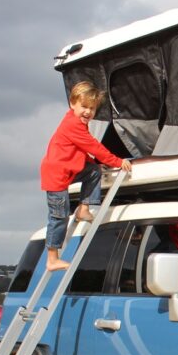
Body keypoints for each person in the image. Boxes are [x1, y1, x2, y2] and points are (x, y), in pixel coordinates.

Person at [40, 81, 133, 271]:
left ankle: (83, 209)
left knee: (93, 171)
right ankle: (52, 259)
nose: (88, 112)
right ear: (72, 104)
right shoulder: (73, 125)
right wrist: (117, 161)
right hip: (57, 176)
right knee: (59, 217)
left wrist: (96, 163)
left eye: (92, 108)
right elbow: (94, 147)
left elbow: (81, 151)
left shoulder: (76, 123)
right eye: (84, 106)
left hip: (68, 170)